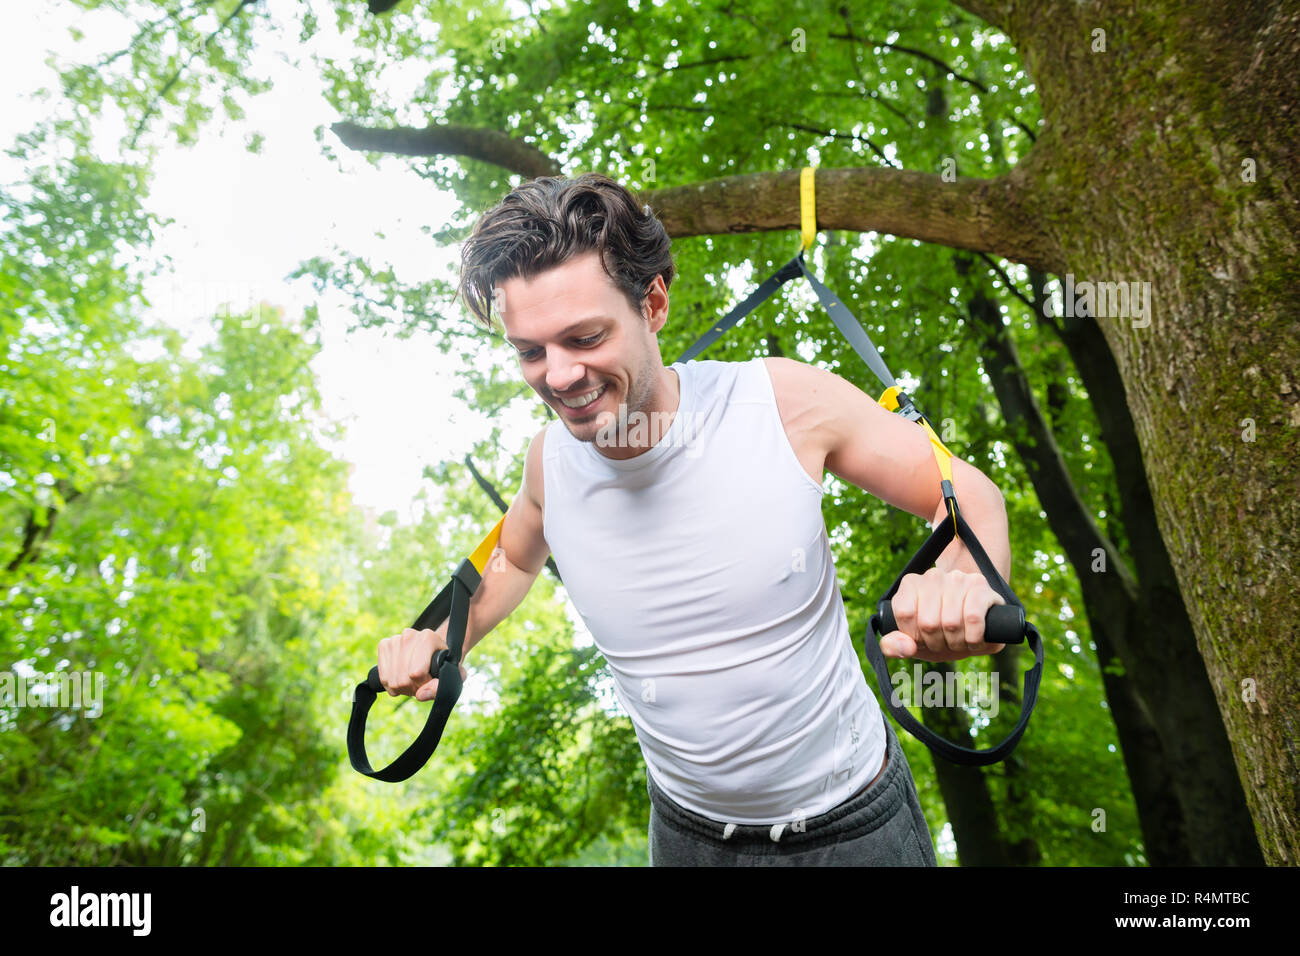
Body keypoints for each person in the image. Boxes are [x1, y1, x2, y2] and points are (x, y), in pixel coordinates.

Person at [375, 173, 1012, 866]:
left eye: (584, 337)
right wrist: (444, 642)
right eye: (531, 351)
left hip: (853, 826)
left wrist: (966, 583)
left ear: (652, 304)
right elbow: (516, 559)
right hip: (686, 837)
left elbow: (968, 498)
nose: (558, 376)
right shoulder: (548, 465)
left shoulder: (783, 402)